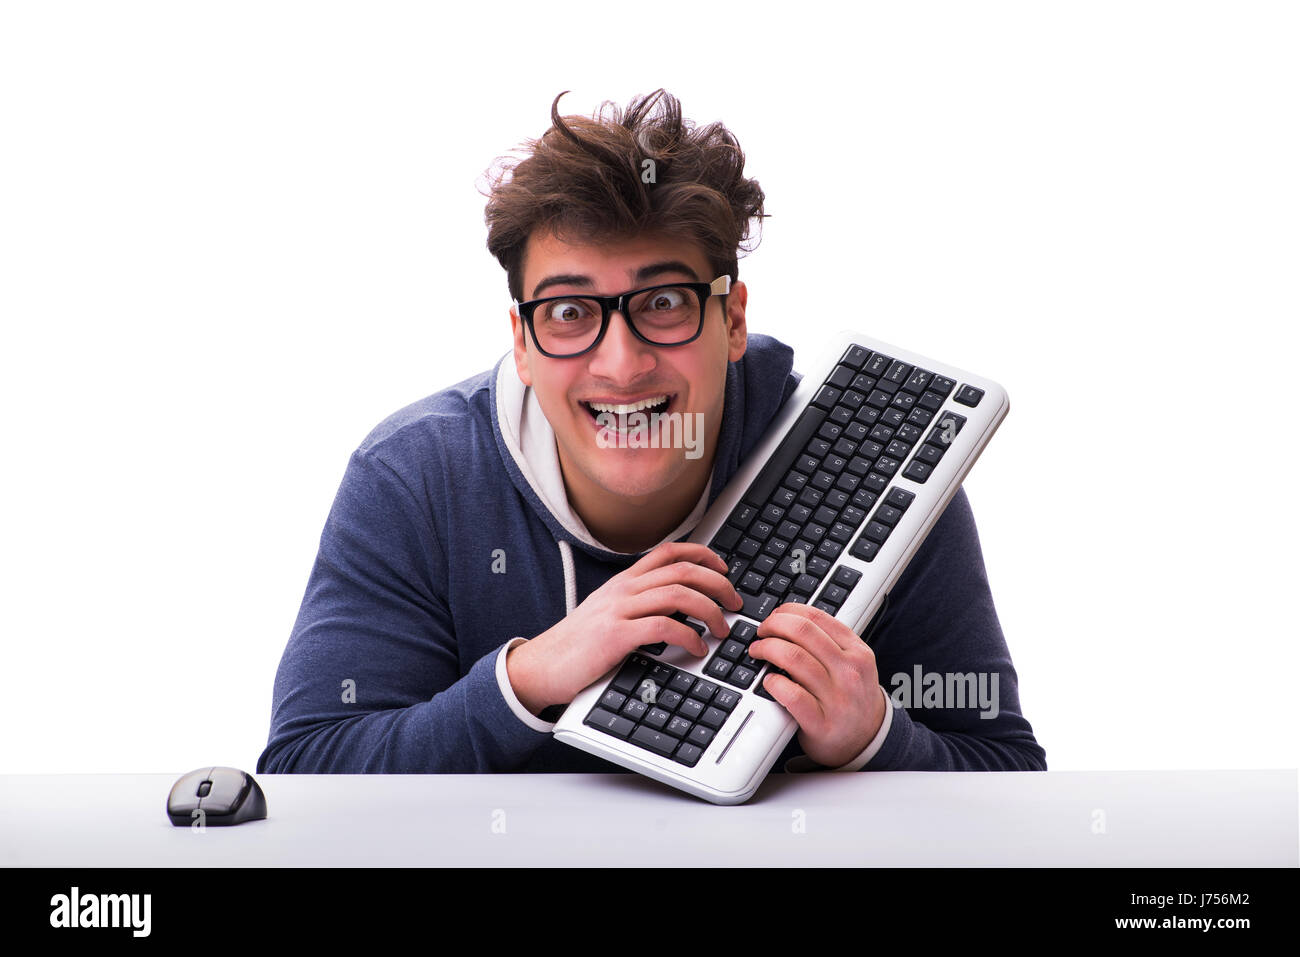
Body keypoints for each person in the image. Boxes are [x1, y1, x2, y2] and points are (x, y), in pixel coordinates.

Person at [256, 90, 1046, 776]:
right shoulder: (415, 480)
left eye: (664, 302)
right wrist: (529, 677)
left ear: (732, 318)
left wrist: (877, 738)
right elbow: (308, 768)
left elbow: (1006, 774)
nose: (623, 363)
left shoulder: (881, 469)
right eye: (569, 313)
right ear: (523, 343)